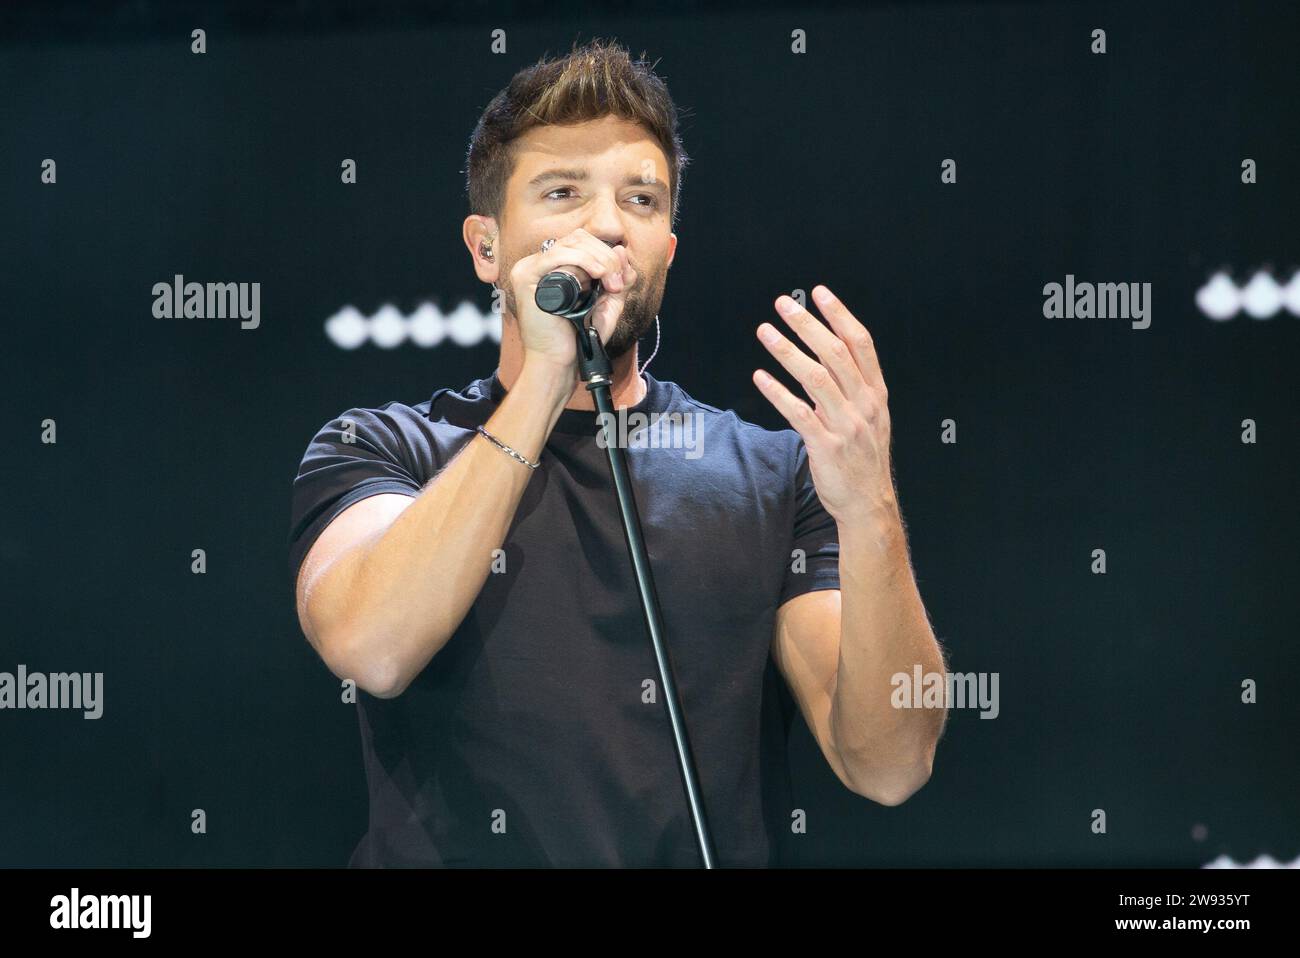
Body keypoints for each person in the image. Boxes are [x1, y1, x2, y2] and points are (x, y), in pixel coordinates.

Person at [288, 38, 947, 867]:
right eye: (563, 193)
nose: (605, 226)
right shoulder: (382, 448)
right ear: (486, 248)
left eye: (641, 200)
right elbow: (373, 645)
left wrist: (871, 506)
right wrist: (544, 380)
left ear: (667, 250)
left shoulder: (773, 477)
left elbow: (890, 765)